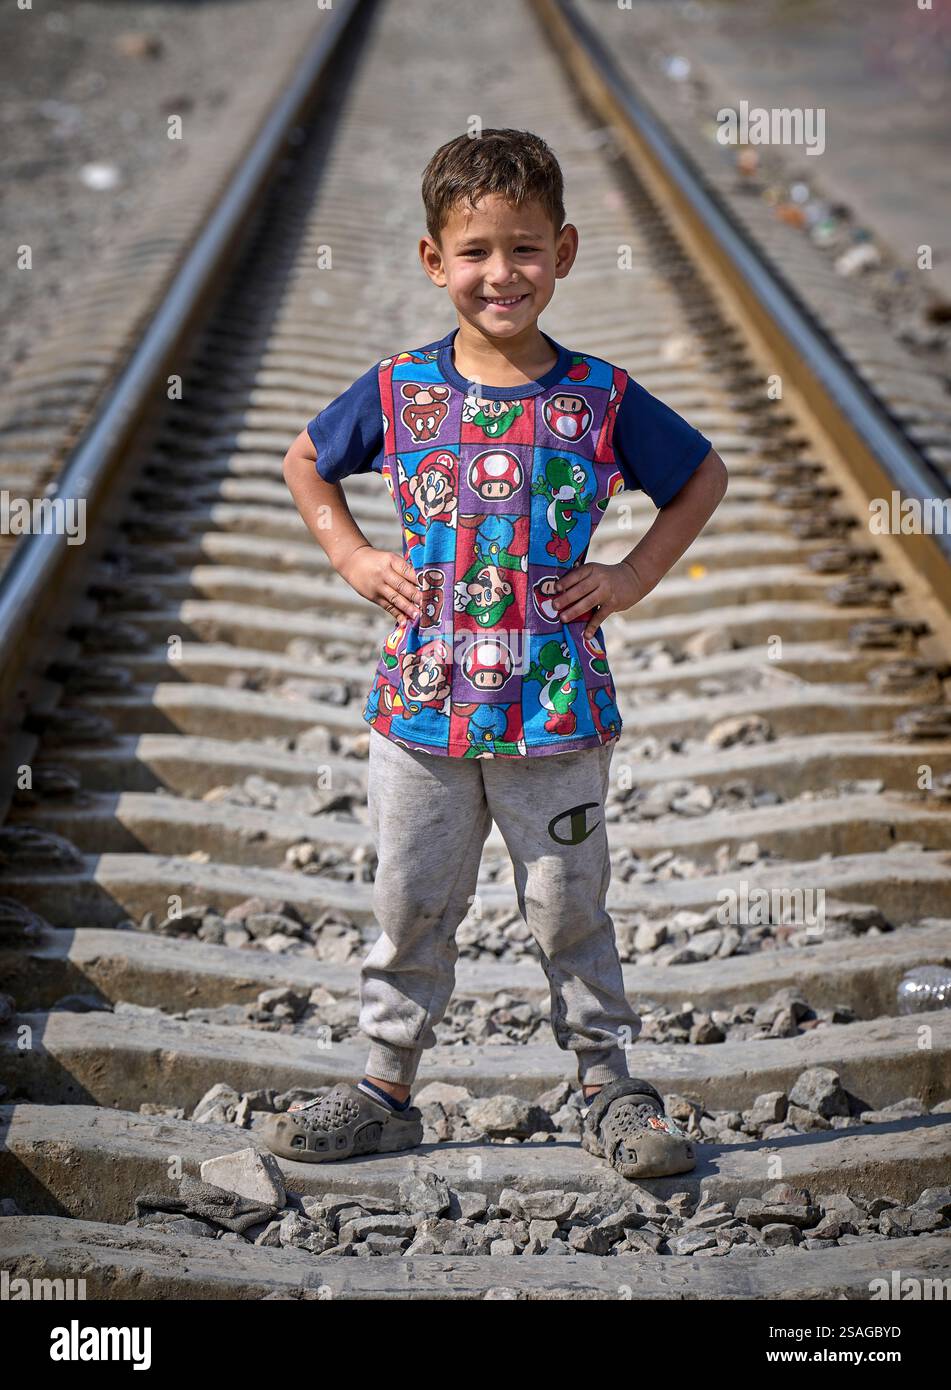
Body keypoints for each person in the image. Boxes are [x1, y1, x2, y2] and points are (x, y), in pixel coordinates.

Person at [264, 128, 728, 1180]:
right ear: (436, 262)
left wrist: (630, 577)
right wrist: (353, 556)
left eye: (524, 249)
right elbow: (305, 460)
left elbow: (703, 476)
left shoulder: (601, 398)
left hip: (556, 710)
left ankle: (608, 1085)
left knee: (570, 904)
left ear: (564, 252)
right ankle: (385, 1085)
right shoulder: (398, 392)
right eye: (475, 252)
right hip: (421, 715)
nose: (501, 273)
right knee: (409, 901)